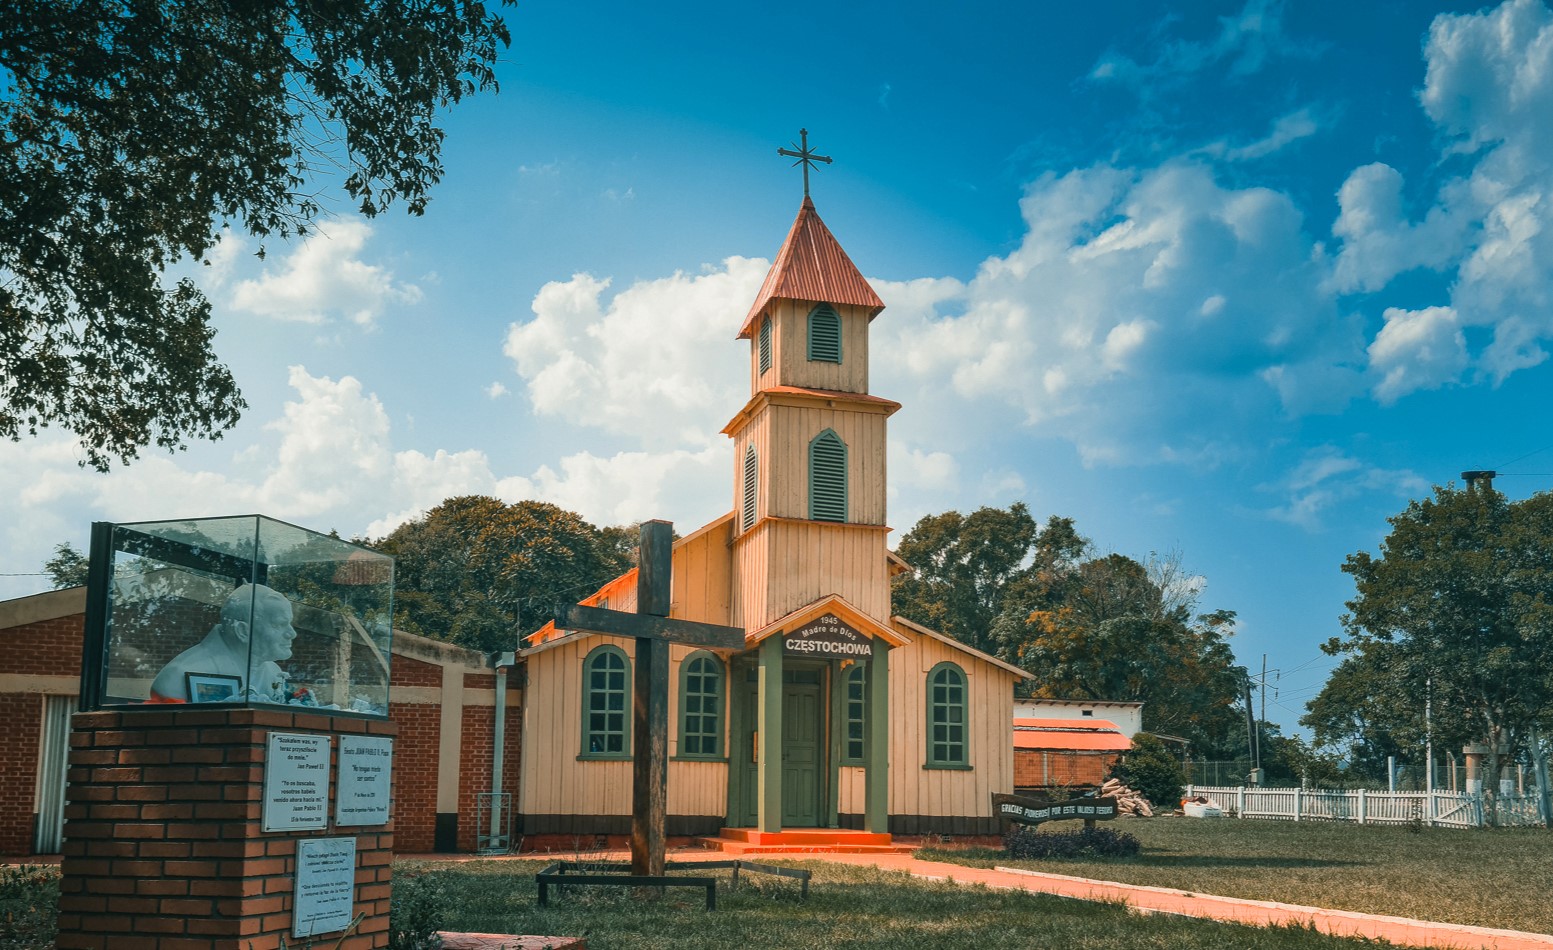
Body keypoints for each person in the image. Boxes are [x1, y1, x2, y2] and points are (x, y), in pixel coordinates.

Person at [149, 583, 297, 702]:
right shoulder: (177, 677)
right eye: (279, 624)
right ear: (243, 631)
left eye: (289, 624)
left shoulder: (274, 673)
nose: (292, 633)